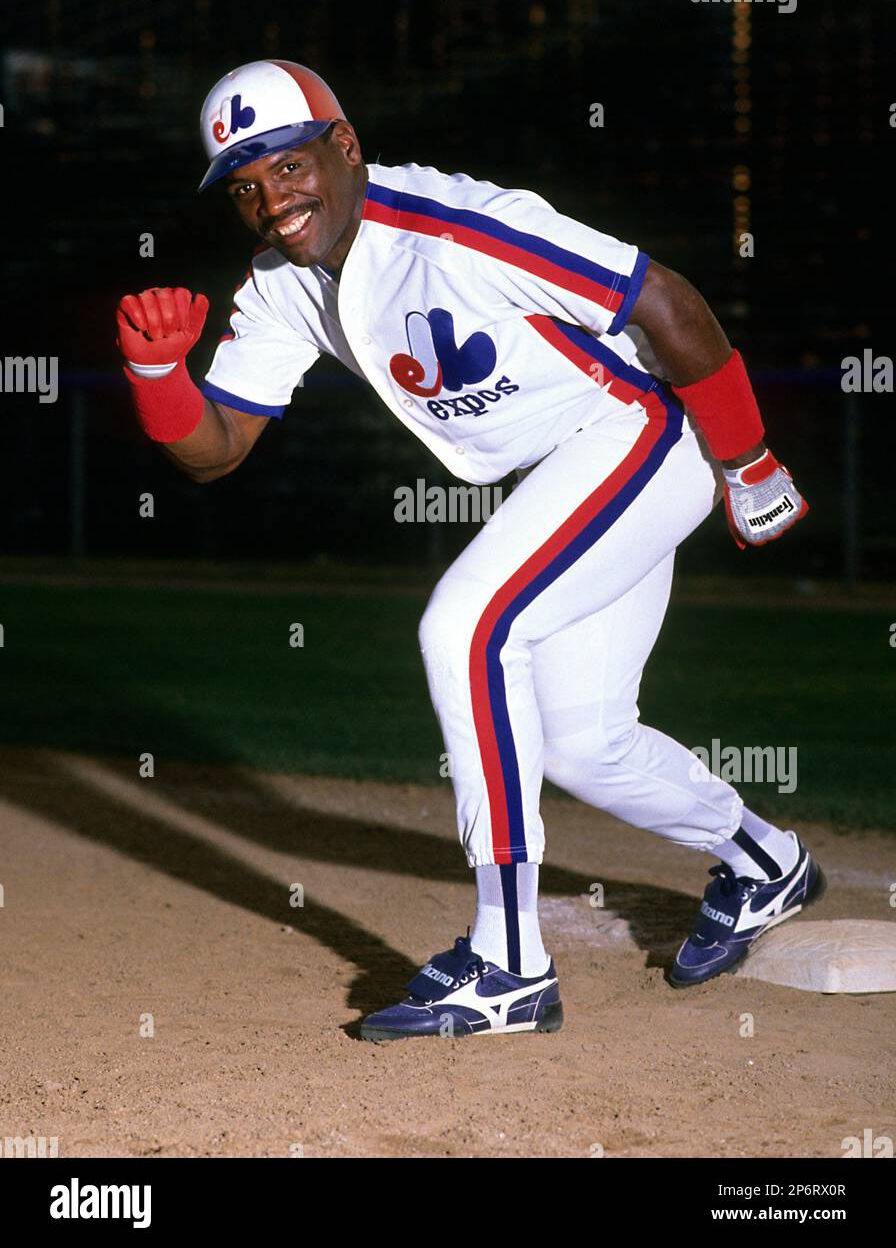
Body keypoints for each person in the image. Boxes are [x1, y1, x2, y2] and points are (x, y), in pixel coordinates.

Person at [115, 60, 823, 1042]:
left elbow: (663, 299)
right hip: (566, 478)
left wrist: (746, 460)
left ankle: (507, 963)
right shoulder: (284, 285)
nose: (272, 200)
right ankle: (761, 863)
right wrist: (157, 375)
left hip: (637, 436)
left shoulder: (458, 227)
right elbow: (217, 448)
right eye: (244, 184)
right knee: (584, 739)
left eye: (287, 165)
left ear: (343, 144)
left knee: (466, 627)